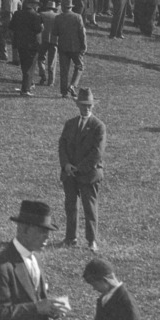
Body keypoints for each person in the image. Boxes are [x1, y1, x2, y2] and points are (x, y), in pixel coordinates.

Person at [58, 89, 107, 250]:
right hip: (70, 174)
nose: (86, 108)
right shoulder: (70, 124)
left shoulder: (98, 126)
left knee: (89, 207)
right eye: (83, 105)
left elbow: (97, 153)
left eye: (89, 106)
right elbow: (62, 146)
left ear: (93, 106)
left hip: (89, 174)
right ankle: (70, 237)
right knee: (70, 206)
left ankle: (91, 240)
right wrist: (66, 165)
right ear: (78, 105)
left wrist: (78, 168)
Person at [54, 0, 87, 98]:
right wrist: (84, 45)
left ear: (62, 7)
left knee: (64, 70)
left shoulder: (58, 18)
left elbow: (55, 32)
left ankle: (64, 92)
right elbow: (82, 33)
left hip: (63, 46)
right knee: (79, 66)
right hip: (75, 47)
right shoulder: (77, 17)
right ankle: (72, 85)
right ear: (71, 7)